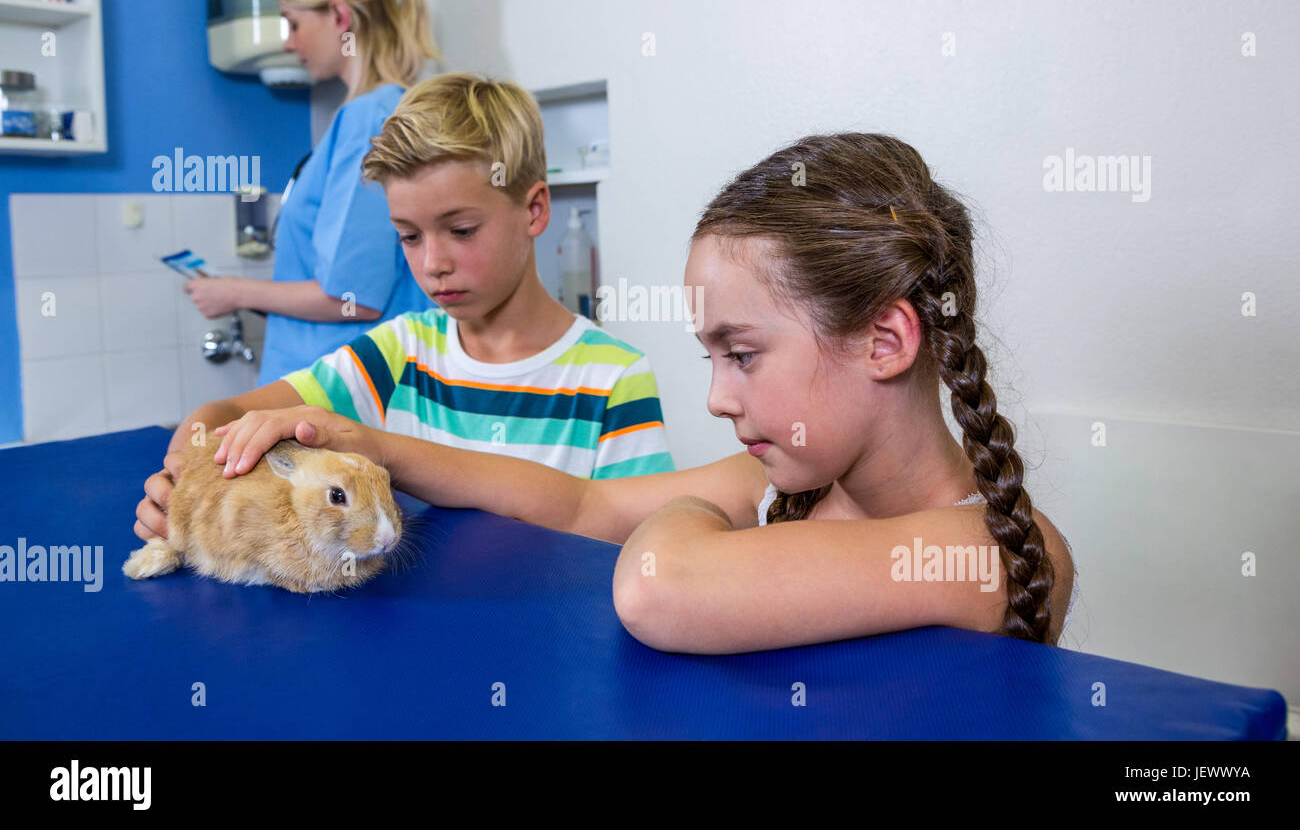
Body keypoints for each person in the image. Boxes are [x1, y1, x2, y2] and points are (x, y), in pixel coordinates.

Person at [146, 133, 1076, 655]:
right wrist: (371, 445)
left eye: (741, 355)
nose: (715, 397)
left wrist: (682, 508)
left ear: (884, 341)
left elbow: (657, 584)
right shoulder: (795, 492)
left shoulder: (991, 549)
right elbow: (582, 501)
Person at [133, 72, 677, 547]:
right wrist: (185, 472)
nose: (433, 262)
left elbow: (640, 539)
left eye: (461, 230)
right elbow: (220, 415)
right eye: (409, 236)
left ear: (534, 210)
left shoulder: (613, 377)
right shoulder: (398, 352)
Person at [181, 0, 439, 384]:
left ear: (339, 14)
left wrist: (233, 292)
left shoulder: (370, 120)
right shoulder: (367, 115)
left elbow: (352, 298)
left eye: (292, 23)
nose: (287, 43)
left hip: (339, 398)